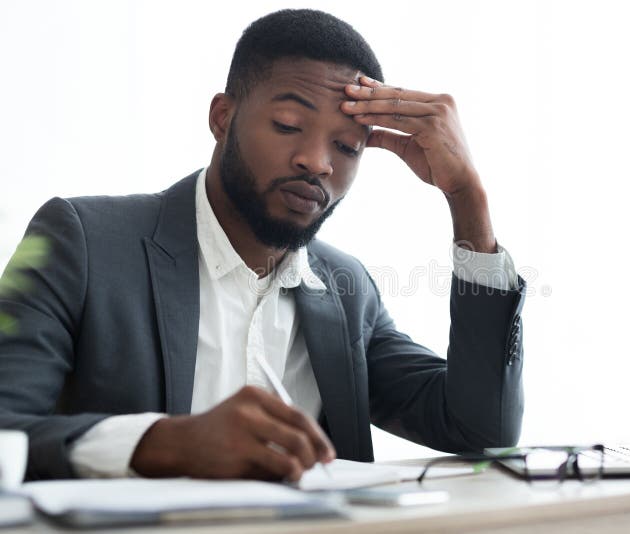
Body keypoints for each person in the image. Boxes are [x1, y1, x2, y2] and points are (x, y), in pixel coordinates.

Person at [0, 9, 526, 482]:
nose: (318, 161)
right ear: (222, 118)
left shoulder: (347, 292)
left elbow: (480, 428)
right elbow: (6, 431)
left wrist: (466, 200)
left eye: (347, 146)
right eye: (288, 125)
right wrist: (164, 443)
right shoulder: (80, 241)